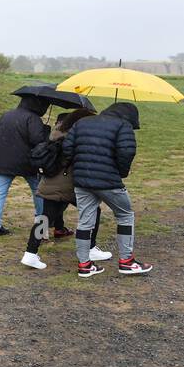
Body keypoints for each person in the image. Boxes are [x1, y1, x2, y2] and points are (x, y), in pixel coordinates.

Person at [62, 102, 152, 277]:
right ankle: (127, 262)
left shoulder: (83, 122)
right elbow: (126, 152)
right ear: (128, 117)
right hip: (108, 182)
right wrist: (121, 172)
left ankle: (84, 265)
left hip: (81, 180)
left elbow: (67, 147)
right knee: (125, 215)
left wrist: (76, 166)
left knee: (85, 221)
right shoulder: (123, 125)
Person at [20, 108, 113, 270]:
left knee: (44, 218)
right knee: (93, 211)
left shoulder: (58, 131)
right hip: (67, 184)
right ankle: (90, 248)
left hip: (50, 182)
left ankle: (30, 253)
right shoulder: (76, 136)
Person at [0, 93, 48, 236]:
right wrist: (45, 131)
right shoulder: (33, 118)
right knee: (39, 192)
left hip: (5, 160)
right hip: (27, 162)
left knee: (0, 193)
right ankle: (41, 228)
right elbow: (38, 141)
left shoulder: (6, 115)